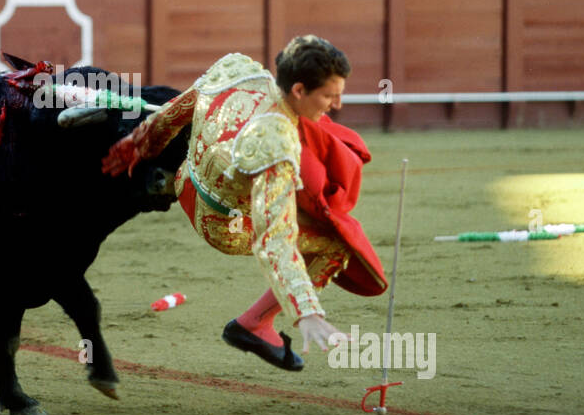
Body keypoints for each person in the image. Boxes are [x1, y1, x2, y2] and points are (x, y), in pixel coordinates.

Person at [101, 37, 388, 369]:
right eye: (328, 95)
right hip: (223, 225)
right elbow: (275, 239)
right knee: (336, 246)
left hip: (186, 182)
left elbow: (177, 111)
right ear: (298, 90)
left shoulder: (236, 69)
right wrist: (305, 311)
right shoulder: (277, 143)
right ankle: (255, 323)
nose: (335, 104)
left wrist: (142, 143)